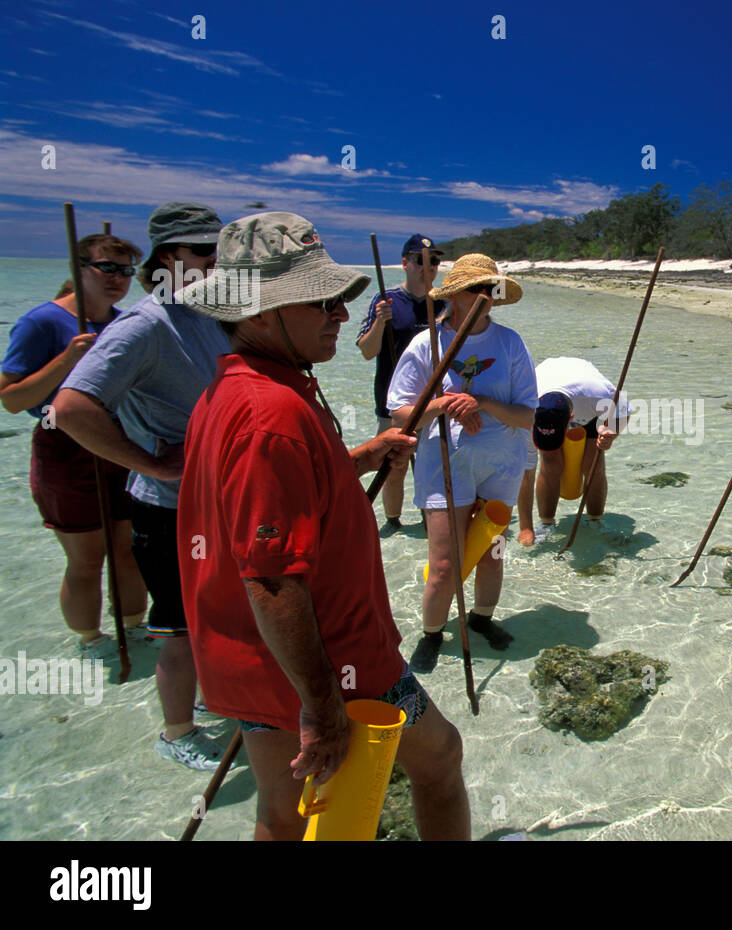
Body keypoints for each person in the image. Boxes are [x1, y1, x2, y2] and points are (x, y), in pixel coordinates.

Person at [175, 212, 468, 840]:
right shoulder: (271, 413)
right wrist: (323, 708)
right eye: (322, 300)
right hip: (337, 661)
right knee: (440, 759)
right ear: (256, 313)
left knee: (282, 819)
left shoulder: (234, 389)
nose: (341, 313)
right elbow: (274, 582)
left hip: (252, 662)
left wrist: (359, 458)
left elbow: (265, 509)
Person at [55, 202, 233, 771]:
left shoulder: (213, 313)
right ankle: (176, 732)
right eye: (206, 252)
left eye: (221, 251)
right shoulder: (144, 325)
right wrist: (152, 465)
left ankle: (216, 698)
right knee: (177, 629)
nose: (217, 261)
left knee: (216, 614)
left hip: (217, 500)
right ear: (169, 257)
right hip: (168, 509)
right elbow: (72, 407)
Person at [0, 233, 148, 660]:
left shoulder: (124, 322)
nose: (118, 278)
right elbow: (11, 400)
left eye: (125, 271)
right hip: (64, 447)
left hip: (122, 443)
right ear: (79, 267)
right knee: (85, 558)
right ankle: (90, 641)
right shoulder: (42, 322)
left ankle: (135, 632)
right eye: (107, 268)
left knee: (129, 549)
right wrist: (67, 360)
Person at [388, 254, 537, 672]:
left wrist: (482, 402)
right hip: (444, 465)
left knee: (493, 552)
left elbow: (529, 415)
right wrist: (444, 404)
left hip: (502, 465)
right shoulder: (427, 343)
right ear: (457, 295)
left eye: (493, 290)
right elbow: (400, 411)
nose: (488, 297)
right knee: (443, 564)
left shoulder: (510, 343)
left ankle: (481, 618)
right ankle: (432, 634)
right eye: (480, 289)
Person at [357, 235, 447, 530]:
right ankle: (393, 523)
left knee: (432, 466)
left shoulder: (445, 302)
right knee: (392, 467)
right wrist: (381, 322)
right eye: (420, 260)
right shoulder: (386, 300)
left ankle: (430, 520)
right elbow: (368, 352)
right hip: (392, 403)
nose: (428, 266)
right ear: (405, 263)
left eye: (433, 260)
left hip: (435, 403)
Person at [517, 356, 628, 545]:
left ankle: (595, 520)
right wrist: (525, 528)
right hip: (549, 388)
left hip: (591, 411)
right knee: (550, 461)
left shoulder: (597, 393)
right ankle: (546, 524)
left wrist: (610, 436)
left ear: (571, 418)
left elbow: (624, 411)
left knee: (593, 462)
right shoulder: (525, 404)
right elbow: (526, 474)